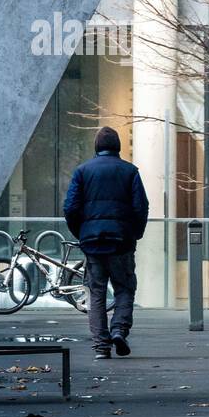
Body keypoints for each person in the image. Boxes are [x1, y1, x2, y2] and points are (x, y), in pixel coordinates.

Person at [63, 126, 149, 358]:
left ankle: (101, 346)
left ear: (97, 147)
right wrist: (135, 234)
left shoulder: (82, 171)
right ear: (118, 146)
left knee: (96, 292)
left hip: (92, 241)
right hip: (121, 240)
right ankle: (119, 329)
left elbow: (70, 207)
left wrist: (81, 233)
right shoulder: (130, 171)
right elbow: (141, 207)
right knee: (124, 288)